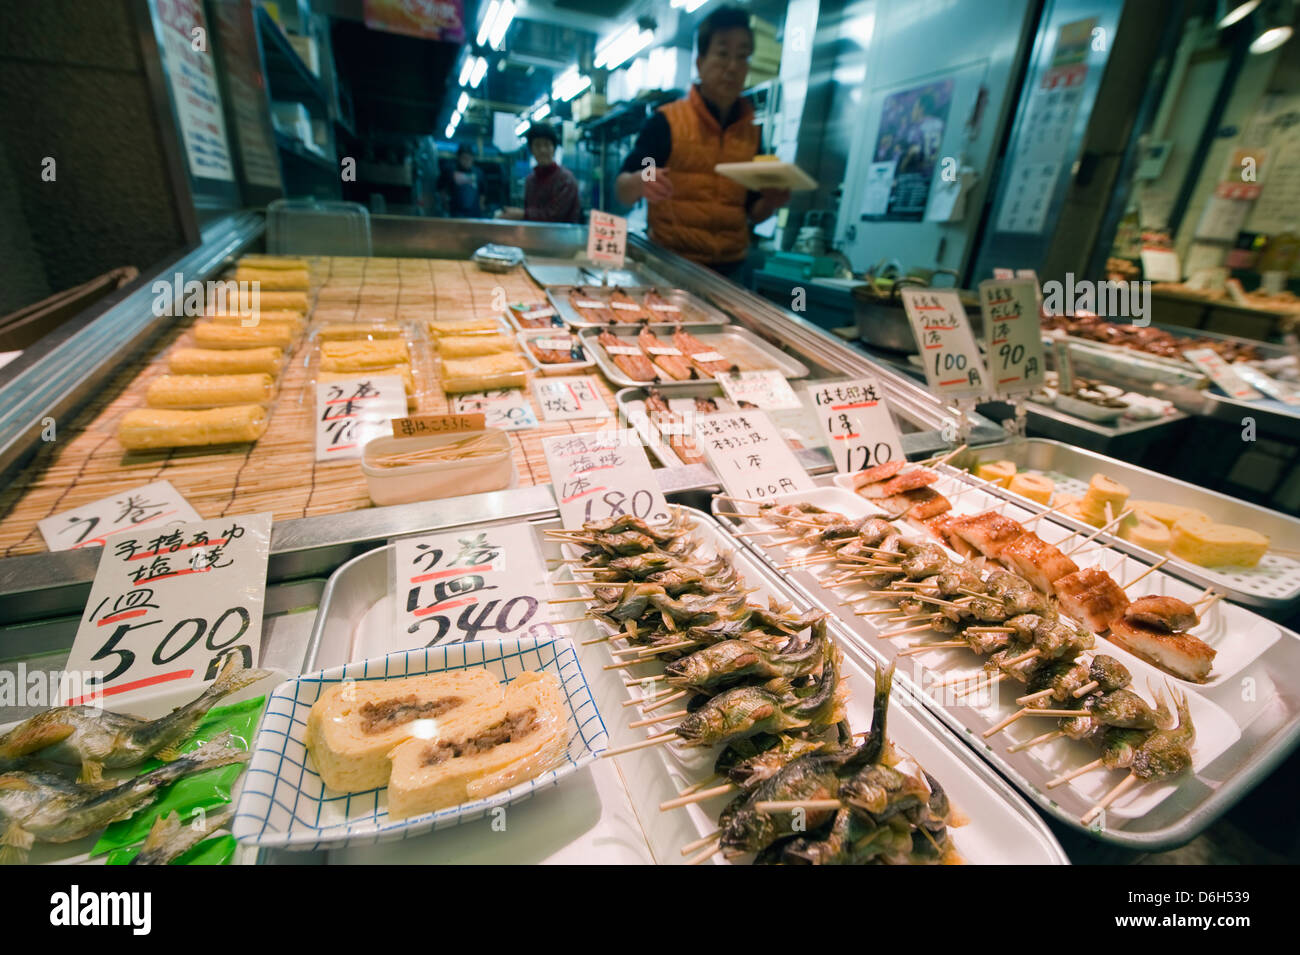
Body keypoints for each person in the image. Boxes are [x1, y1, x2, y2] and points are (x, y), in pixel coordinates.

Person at [614, 5, 790, 277]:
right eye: (722, 54)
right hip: (669, 267)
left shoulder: (751, 134)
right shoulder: (666, 122)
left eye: (742, 57)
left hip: (729, 274)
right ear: (700, 62)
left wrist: (771, 201)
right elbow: (623, 189)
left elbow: (753, 212)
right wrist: (642, 180)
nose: (732, 67)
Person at [498, 123, 583, 223]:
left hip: (563, 238)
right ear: (531, 150)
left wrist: (522, 214)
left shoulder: (566, 179)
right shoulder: (530, 180)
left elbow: (555, 216)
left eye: (547, 145)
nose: (542, 150)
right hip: (534, 237)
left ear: (554, 148)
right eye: (537, 145)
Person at [439, 144, 484, 217]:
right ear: (459, 158)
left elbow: (483, 192)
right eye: (464, 158)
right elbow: (441, 189)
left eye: (469, 158)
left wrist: (481, 206)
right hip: (456, 212)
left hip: (474, 212)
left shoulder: (478, 173)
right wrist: (445, 203)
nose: (467, 161)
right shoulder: (450, 171)